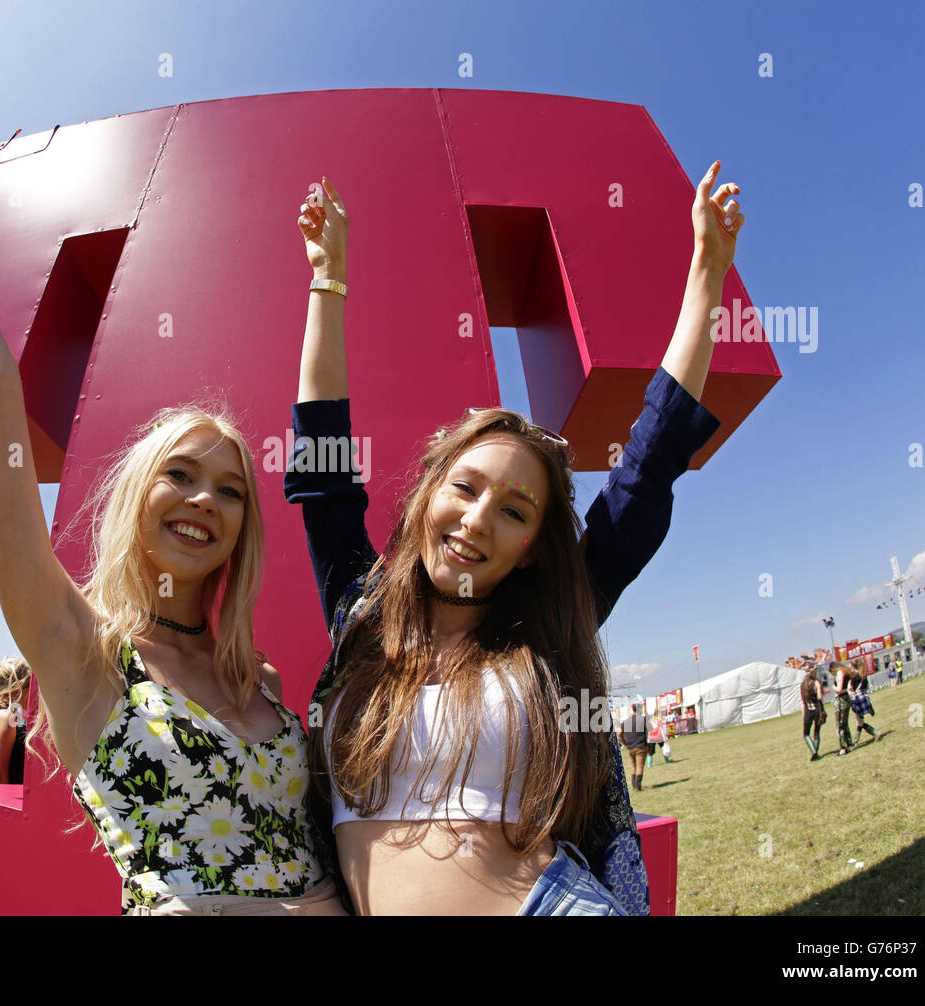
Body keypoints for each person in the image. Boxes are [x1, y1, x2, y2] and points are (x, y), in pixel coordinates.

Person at [286, 159, 738, 915]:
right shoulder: (360, 615)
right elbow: (323, 469)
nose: (475, 522)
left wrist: (706, 274)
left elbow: (649, 466)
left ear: (533, 545)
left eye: (514, 511)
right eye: (464, 488)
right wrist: (327, 281)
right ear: (429, 492)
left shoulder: (547, 624)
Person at [0, 137, 342, 915]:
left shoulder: (262, 682)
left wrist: (327, 280)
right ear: (137, 496)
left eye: (229, 490)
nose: (203, 501)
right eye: (179, 476)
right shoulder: (77, 647)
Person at [0, 657, 32, 784]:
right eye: (29, 687)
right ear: (16, 689)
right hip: (1, 798)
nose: (32, 693)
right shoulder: (5, 717)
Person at [619, 702, 651, 789]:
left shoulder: (626, 722)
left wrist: (625, 743)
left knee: (634, 766)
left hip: (630, 747)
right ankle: (638, 786)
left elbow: (619, 735)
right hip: (641, 746)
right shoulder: (642, 719)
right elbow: (650, 729)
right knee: (640, 766)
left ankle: (633, 785)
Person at [848, 662, 877, 743]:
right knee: (860, 721)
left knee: (860, 721)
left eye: (850, 666)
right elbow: (866, 686)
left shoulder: (854, 676)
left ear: (854, 667)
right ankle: (855, 740)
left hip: (857, 699)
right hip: (864, 697)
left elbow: (851, 688)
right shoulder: (863, 675)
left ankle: (875, 733)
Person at [800, 666, 824, 760]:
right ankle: (815, 752)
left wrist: (803, 715)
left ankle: (813, 752)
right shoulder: (816, 683)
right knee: (816, 732)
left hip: (808, 711)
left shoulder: (802, 685)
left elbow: (802, 701)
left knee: (806, 734)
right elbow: (820, 697)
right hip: (817, 709)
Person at [833, 661, 855, 754]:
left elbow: (839, 689)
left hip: (841, 700)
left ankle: (843, 747)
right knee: (845, 724)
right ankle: (849, 744)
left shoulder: (840, 673)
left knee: (840, 725)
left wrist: (833, 686)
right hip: (846, 698)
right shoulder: (846, 672)